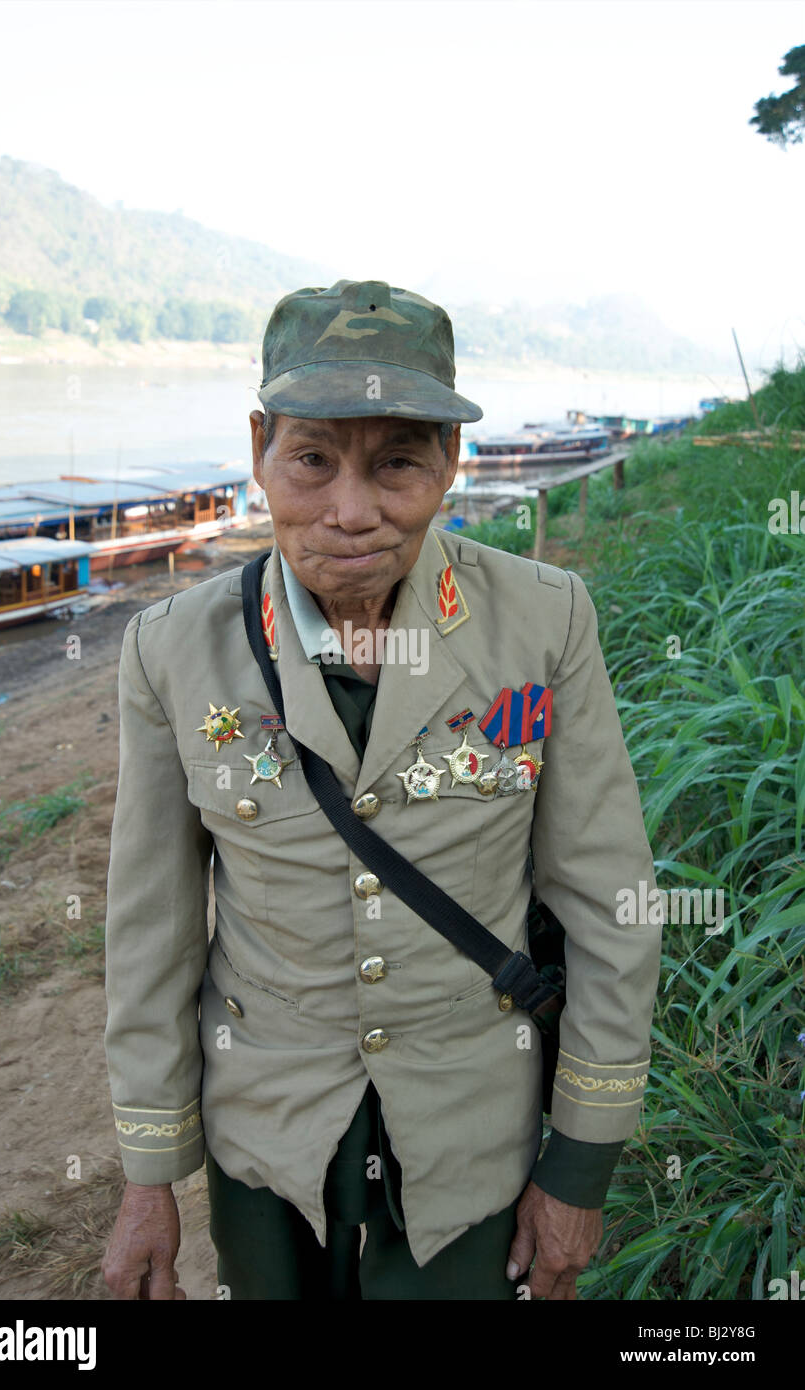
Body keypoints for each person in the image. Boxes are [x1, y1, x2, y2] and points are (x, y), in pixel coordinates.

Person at [101, 279, 662, 1301]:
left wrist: (579, 1165)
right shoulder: (171, 649)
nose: (351, 513)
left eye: (398, 461)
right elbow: (152, 928)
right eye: (312, 459)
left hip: (471, 1129)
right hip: (265, 1127)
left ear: (450, 463)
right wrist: (149, 1176)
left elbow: (610, 904)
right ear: (261, 446)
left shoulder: (541, 621)